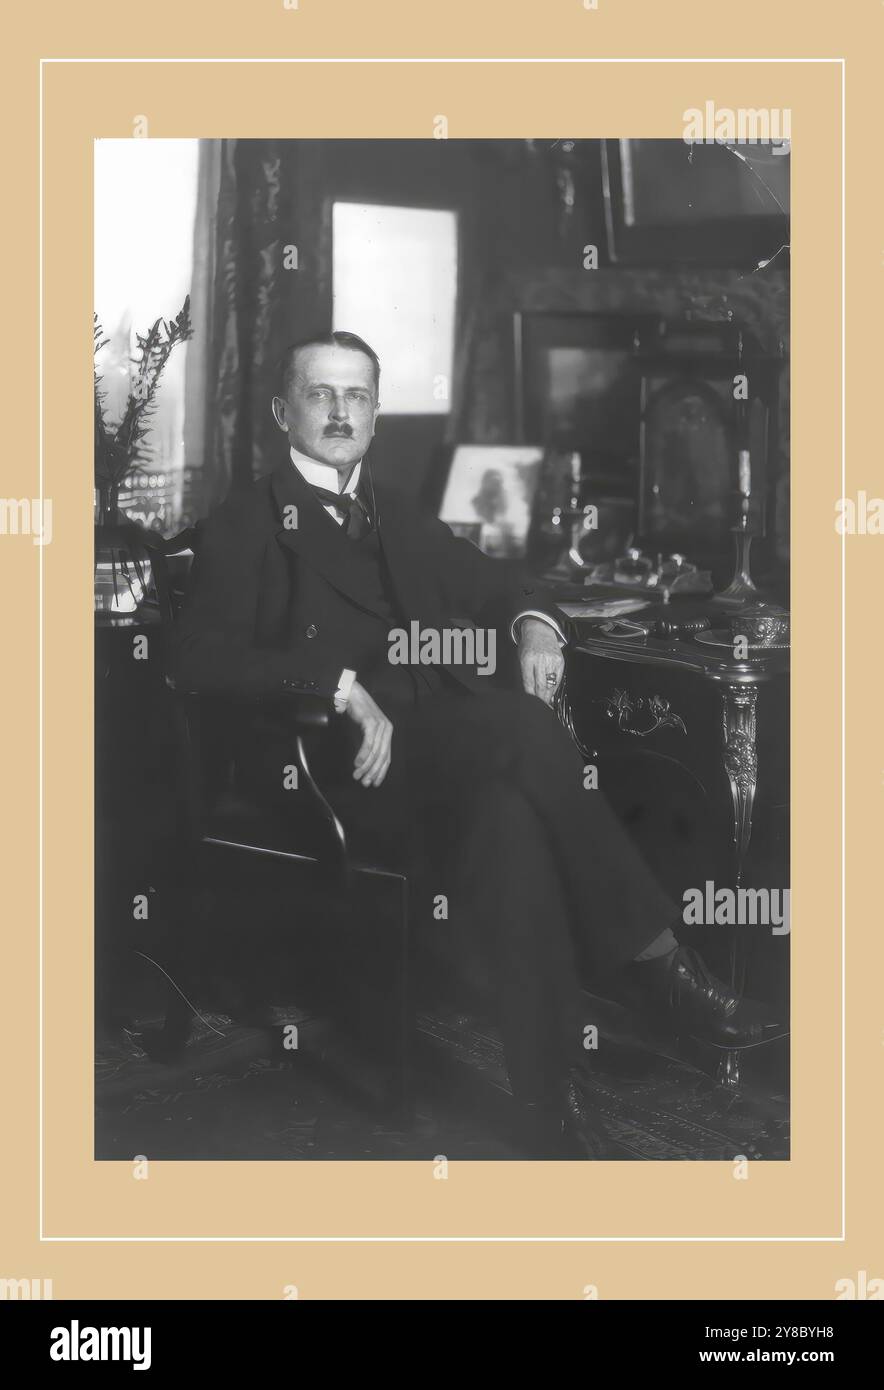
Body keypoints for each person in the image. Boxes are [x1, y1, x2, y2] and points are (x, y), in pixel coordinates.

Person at [174, 330, 782, 1157]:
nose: (342, 411)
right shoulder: (245, 522)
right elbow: (200, 660)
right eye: (322, 394)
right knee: (522, 729)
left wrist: (535, 624)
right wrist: (337, 686)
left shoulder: (393, 511)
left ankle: (550, 1109)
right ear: (285, 411)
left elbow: (496, 581)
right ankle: (658, 969)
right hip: (332, 772)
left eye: (358, 396)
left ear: (378, 414)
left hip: (441, 753)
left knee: (511, 820)